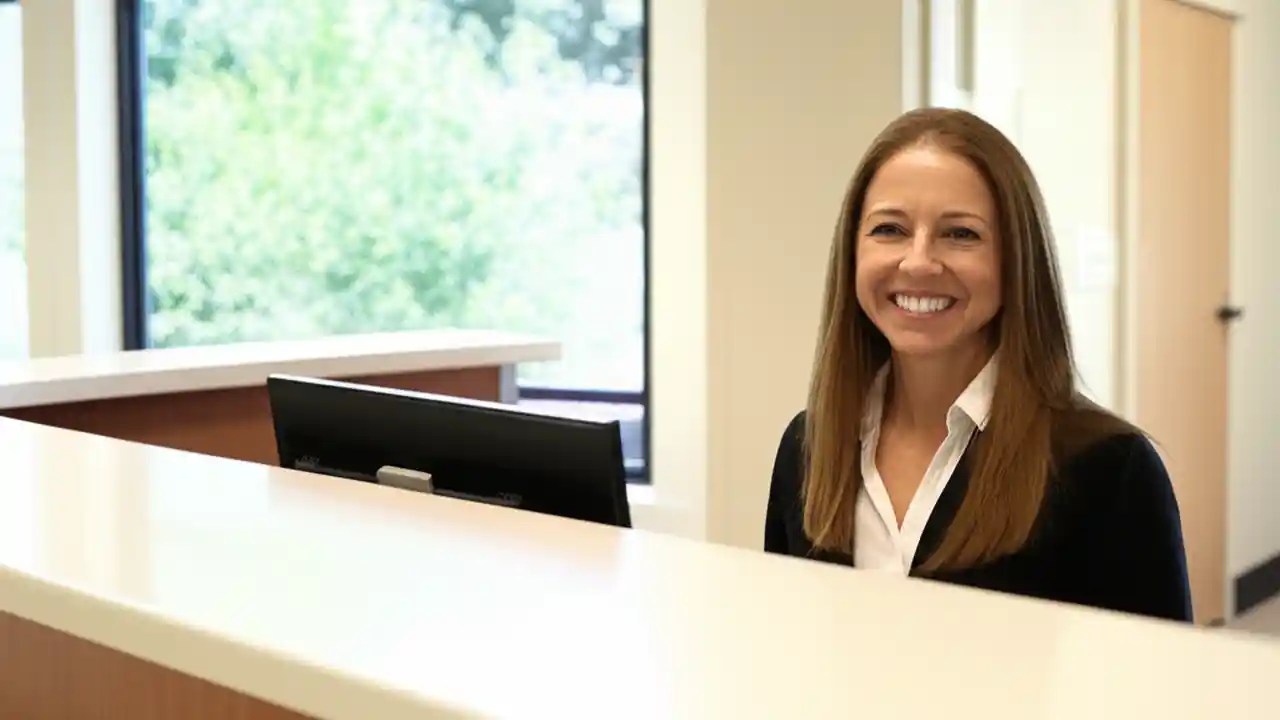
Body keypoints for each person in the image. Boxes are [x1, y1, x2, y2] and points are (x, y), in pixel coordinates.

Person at [764, 107, 1193, 622]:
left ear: (1016, 260)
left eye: (960, 234)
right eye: (889, 229)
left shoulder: (1110, 470)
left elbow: (1156, 693)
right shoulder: (807, 449)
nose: (918, 262)